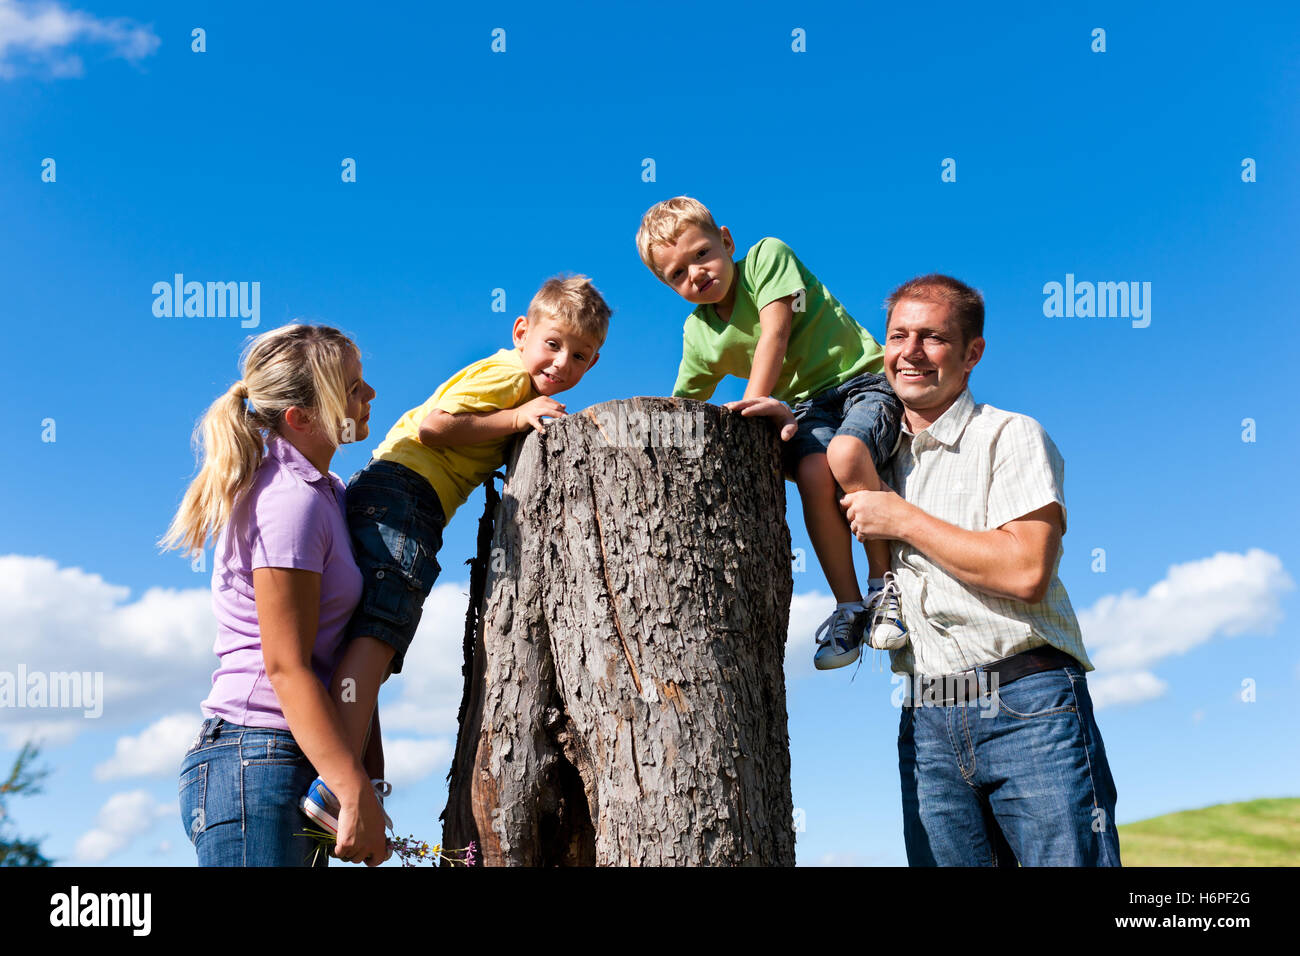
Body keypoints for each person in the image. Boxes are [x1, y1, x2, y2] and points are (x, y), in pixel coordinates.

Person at [301, 275, 611, 841]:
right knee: (380, 631)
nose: (564, 363)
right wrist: (516, 420)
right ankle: (333, 783)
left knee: (372, 632)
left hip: (397, 495)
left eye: (582, 356)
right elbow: (436, 426)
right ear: (522, 332)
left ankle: (352, 775)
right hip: (404, 495)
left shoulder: (519, 382)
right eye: (553, 343)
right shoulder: (509, 375)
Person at [840, 275, 1121, 866]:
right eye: (899, 336)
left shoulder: (1010, 435)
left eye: (932, 338)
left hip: (1027, 702)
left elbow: (1026, 571)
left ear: (972, 353)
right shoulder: (874, 456)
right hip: (924, 715)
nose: (910, 352)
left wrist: (902, 518)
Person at [636, 196, 907, 670]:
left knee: (845, 454)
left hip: (859, 381)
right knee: (811, 472)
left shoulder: (766, 257)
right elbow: (682, 408)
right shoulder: (698, 334)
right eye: (677, 274)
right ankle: (849, 606)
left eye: (701, 254)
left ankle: (884, 587)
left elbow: (774, 334)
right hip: (804, 410)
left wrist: (752, 401)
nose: (695, 274)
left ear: (726, 241)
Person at [163, 323, 390, 867]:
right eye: (353, 387)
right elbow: (286, 665)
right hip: (255, 759)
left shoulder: (326, 493)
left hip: (282, 758)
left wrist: (366, 778)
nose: (370, 395)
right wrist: (350, 784)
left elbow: (340, 652)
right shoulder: (289, 501)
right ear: (301, 417)